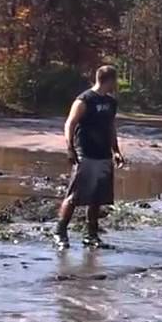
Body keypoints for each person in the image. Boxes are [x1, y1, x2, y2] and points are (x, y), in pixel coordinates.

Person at [55, 65, 125, 249]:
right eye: (115, 81)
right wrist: (69, 148)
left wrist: (116, 150)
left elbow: (111, 127)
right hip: (85, 152)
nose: (115, 84)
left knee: (97, 197)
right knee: (74, 195)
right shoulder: (84, 100)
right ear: (108, 80)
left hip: (103, 154)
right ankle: (60, 232)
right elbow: (70, 124)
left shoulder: (111, 103)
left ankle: (91, 235)